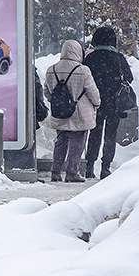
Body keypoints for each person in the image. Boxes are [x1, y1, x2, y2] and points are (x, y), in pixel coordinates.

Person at [44, 40, 101, 183]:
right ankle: (72, 172)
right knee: (77, 143)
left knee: (61, 141)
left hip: (60, 112)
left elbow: (47, 92)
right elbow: (92, 92)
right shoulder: (83, 70)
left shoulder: (51, 69)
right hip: (80, 113)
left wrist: (59, 102)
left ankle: (55, 172)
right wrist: (96, 103)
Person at [84, 26, 133, 179]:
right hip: (114, 103)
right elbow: (129, 78)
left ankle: (89, 165)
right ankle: (105, 167)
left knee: (94, 134)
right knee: (110, 136)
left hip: (95, 102)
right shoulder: (118, 58)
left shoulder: (90, 58)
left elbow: (84, 78)